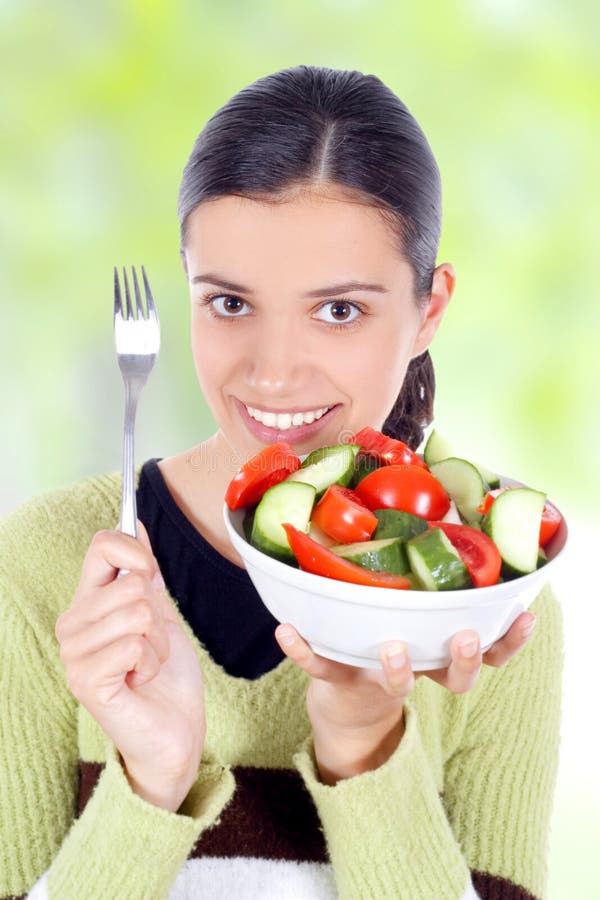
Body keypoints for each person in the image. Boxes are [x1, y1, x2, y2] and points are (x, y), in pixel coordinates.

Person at [0, 65, 563, 900]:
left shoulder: (494, 620)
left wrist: (367, 750)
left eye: (338, 310)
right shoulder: (43, 568)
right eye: (230, 303)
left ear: (429, 311)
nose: (272, 374)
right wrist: (153, 780)